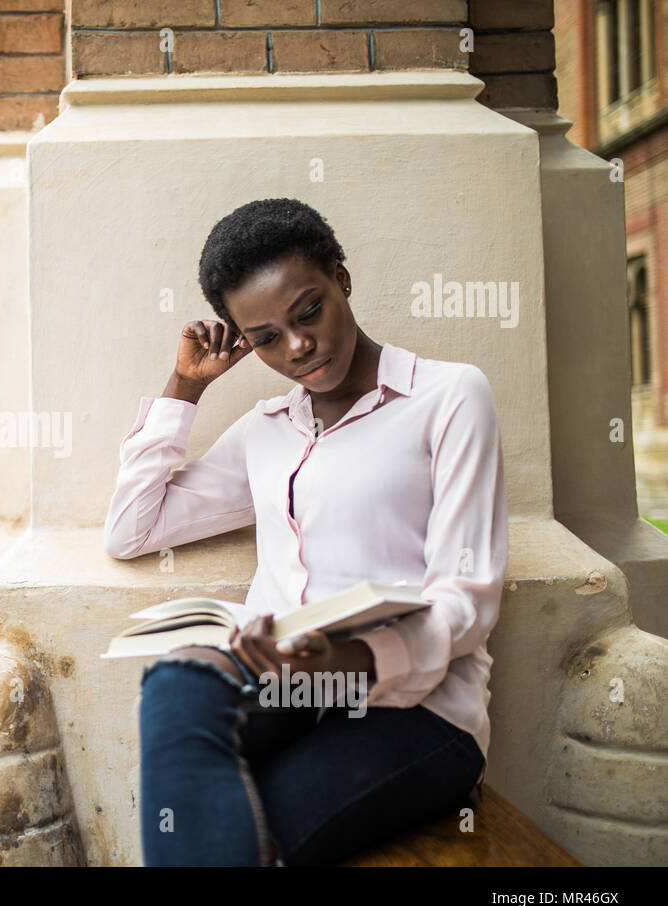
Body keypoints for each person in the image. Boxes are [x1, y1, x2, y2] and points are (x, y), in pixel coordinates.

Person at [104, 198, 508, 866]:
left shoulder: (450, 398)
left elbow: (467, 604)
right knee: (175, 681)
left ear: (341, 279)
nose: (297, 347)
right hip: (286, 682)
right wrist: (184, 388)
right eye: (265, 338)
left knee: (263, 837)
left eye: (309, 311)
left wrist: (345, 660)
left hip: (419, 710)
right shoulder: (267, 430)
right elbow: (130, 528)